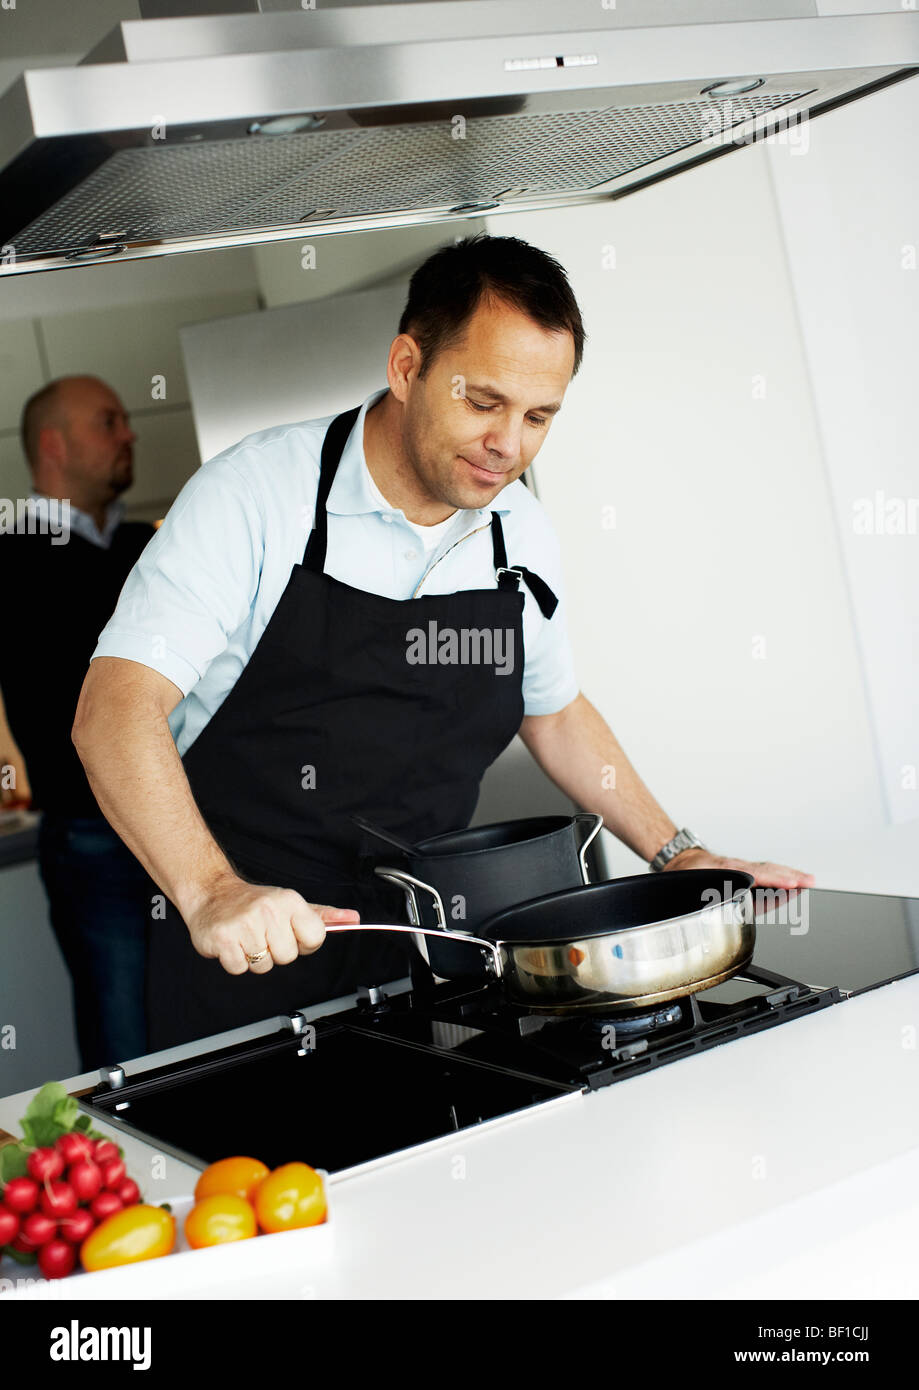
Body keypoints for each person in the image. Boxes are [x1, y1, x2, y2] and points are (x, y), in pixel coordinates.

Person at [71, 235, 814, 1052]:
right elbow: (115, 711)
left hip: (439, 956)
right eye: (483, 402)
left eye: (538, 417)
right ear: (404, 366)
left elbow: (555, 712)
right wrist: (212, 892)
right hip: (253, 948)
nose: (509, 446)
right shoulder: (254, 497)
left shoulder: (518, 530)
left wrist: (675, 852)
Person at [0, 376, 156, 1069]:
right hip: (90, 834)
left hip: (185, 822)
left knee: (193, 1015)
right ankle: (134, 1175)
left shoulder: (142, 545)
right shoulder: (8, 551)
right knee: (125, 1030)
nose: (129, 434)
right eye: (109, 422)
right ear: (54, 445)